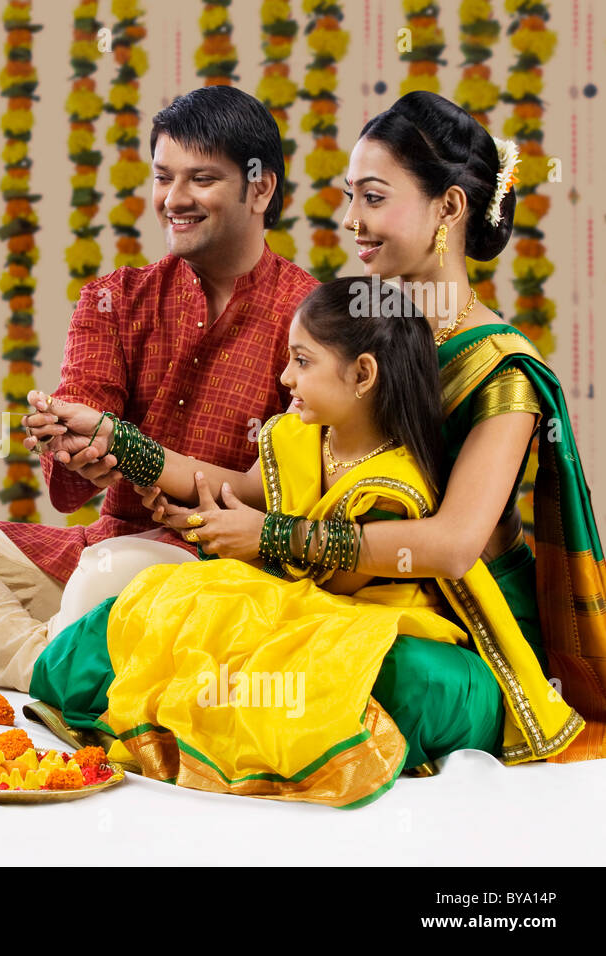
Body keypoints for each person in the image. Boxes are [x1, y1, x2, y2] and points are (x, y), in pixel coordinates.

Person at [140, 91, 605, 762]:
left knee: (364, 676)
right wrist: (122, 448)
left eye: (374, 197)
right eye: (349, 195)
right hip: (351, 602)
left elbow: (448, 547)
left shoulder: (502, 370)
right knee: (181, 607)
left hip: (459, 628)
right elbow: (258, 485)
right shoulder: (356, 333)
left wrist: (270, 536)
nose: (350, 219)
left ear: (449, 207)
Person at [30, 277, 580, 808]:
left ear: (363, 374)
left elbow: (338, 583)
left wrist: (258, 537)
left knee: (386, 673)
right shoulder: (300, 437)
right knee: (160, 596)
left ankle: (273, 743)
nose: (285, 376)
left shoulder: (397, 477)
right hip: (307, 609)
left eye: (302, 360)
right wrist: (115, 438)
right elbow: (232, 486)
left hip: (376, 624)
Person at [0, 86, 318, 691]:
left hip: (218, 574)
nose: (174, 200)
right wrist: (76, 444)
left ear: (260, 187)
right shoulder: (115, 299)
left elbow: (299, 489)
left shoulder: (311, 318)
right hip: (97, 550)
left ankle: (32, 651)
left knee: (111, 573)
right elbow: (74, 473)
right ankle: (52, 658)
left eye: (201, 179)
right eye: (163, 177)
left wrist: (151, 467)